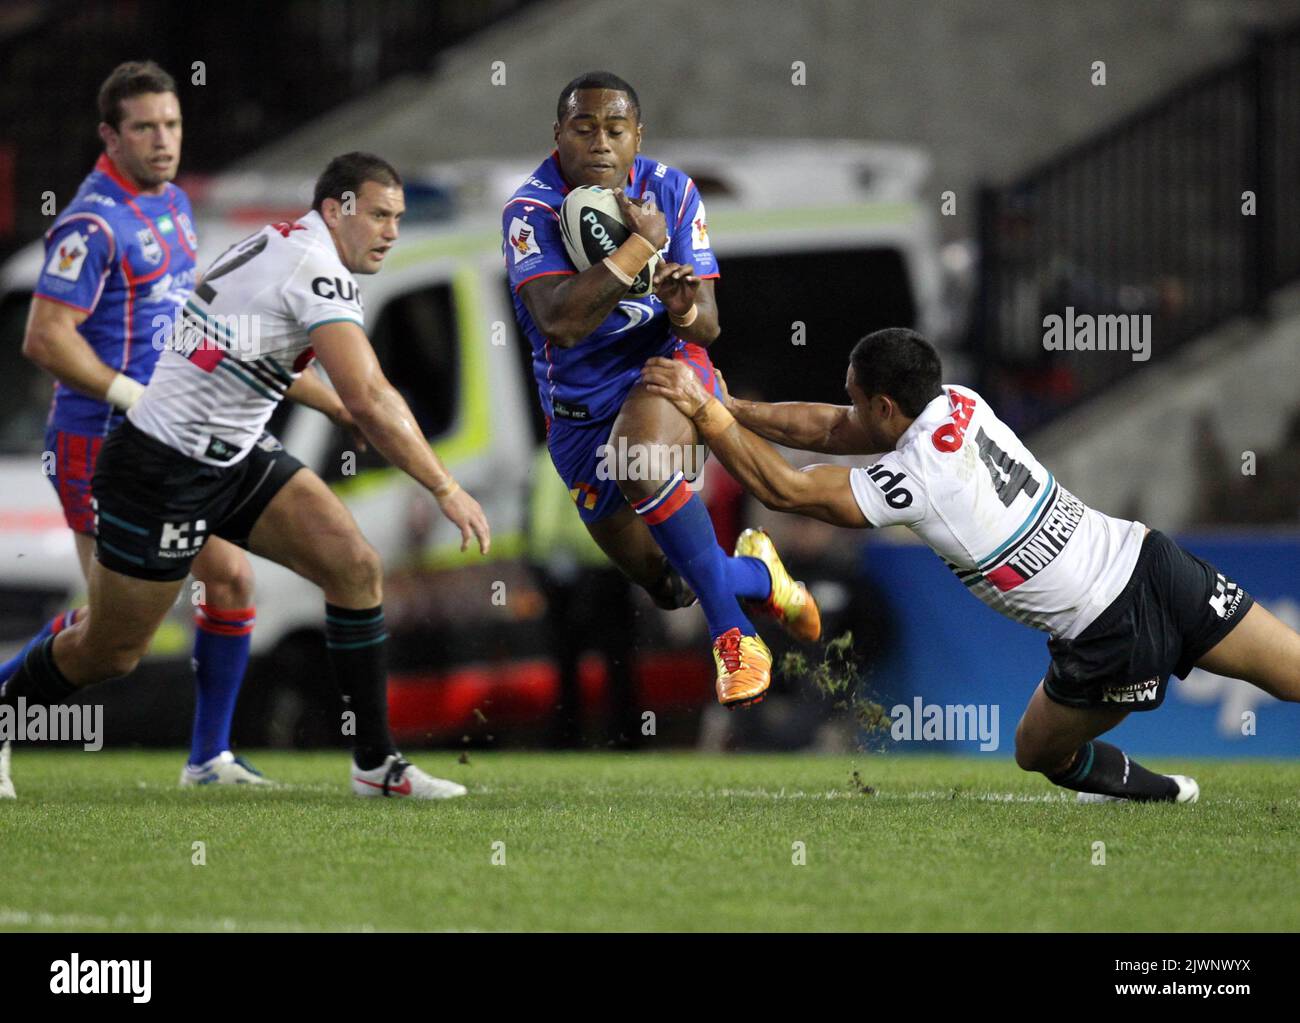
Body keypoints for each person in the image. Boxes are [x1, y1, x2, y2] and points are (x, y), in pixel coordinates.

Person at [0, 151, 490, 799]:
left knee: (353, 567)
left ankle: (376, 764)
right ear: (336, 209)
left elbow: (230, 344)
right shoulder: (313, 268)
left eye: (397, 218)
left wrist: (331, 404)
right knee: (111, 651)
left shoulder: (277, 244)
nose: (390, 231)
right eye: (377, 214)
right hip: (162, 467)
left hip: (233, 454)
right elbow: (372, 392)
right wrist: (445, 485)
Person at [641, 327, 1300, 802]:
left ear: (885, 408)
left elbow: (785, 488)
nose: (848, 407)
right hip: (1150, 559)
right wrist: (733, 409)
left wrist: (704, 413)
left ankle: (1162, 793)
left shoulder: (920, 479)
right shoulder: (959, 402)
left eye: (856, 396)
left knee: (1038, 751)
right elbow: (834, 428)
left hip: (1107, 632)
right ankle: (1175, 793)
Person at [1, 61, 289, 790]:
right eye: (144, 128)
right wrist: (131, 391)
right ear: (110, 135)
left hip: (172, 435)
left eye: (172, 125)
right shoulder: (92, 222)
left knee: (228, 577)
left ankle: (208, 758)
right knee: (112, 644)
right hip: (97, 444)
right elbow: (45, 337)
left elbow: (174, 318)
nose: (163, 141)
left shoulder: (173, 205)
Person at [504, 70, 820, 709]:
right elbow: (561, 323)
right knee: (671, 582)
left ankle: (735, 640)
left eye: (615, 130)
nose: (600, 144)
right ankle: (758, 576)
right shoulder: (529, 211)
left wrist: (680, 309)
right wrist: (640, 246)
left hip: (665, 369)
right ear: (558, 135)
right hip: (576, 414)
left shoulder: (673, 191)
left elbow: (708, 322)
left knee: (641, 463)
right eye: (583, 128)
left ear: (636, 136)